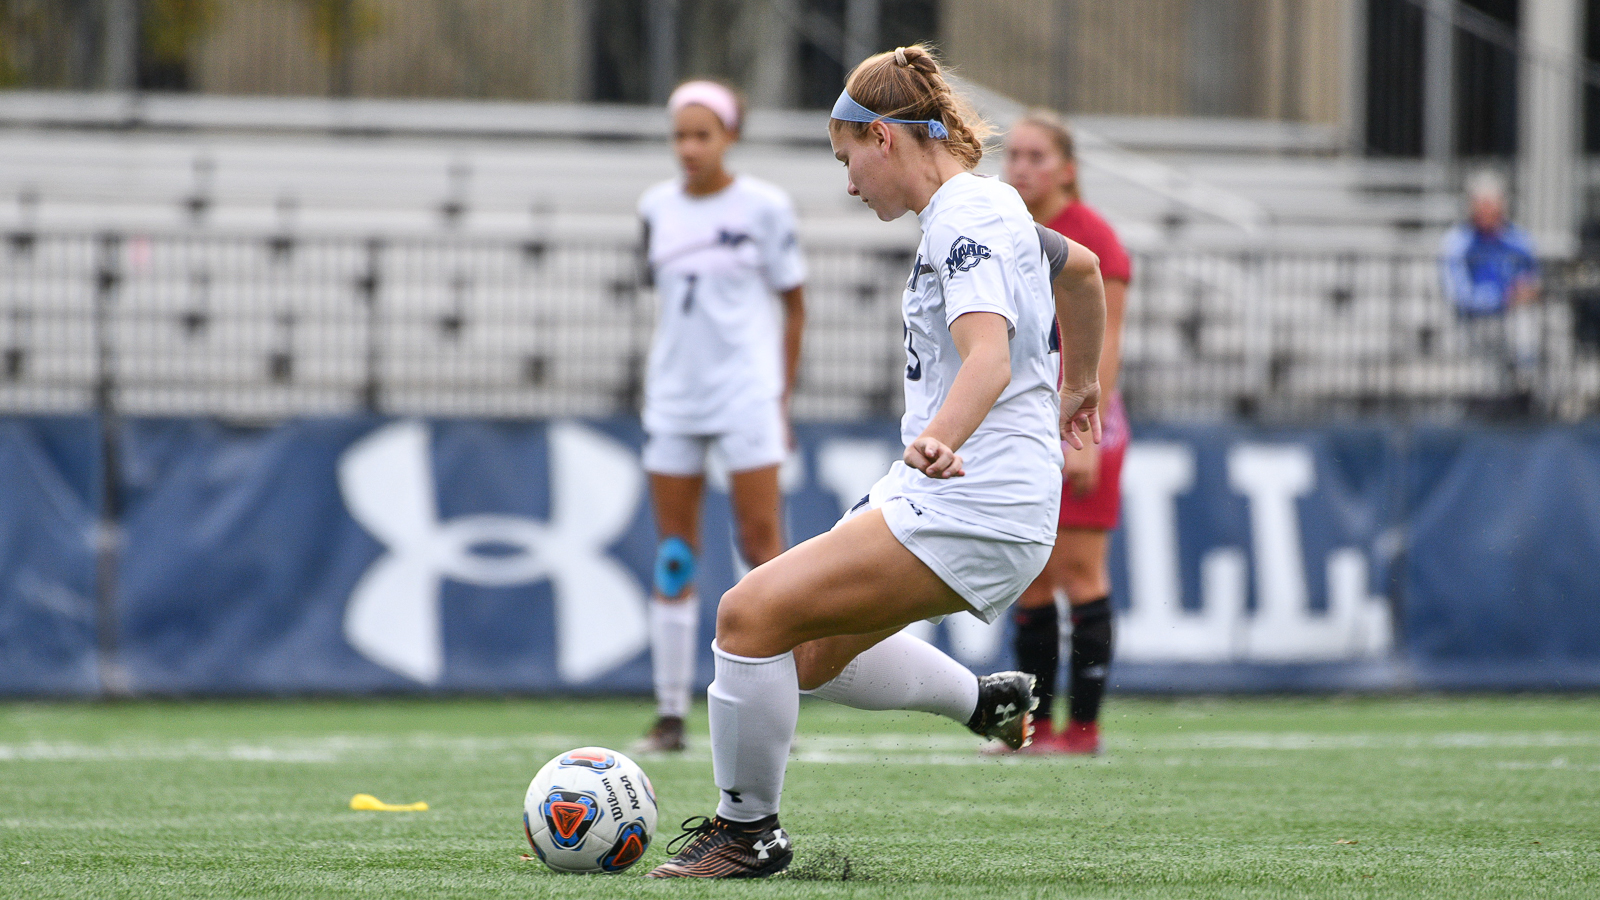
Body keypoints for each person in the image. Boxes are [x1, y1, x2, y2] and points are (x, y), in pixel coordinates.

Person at [646, 45, 1106, 879]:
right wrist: (1082, 383)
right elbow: (1086, 272)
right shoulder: (991, 209)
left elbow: (988, 361)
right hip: (978, 496)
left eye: (847, 158)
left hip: (971, 497)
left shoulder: (966, 217)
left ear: (884, 139)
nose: (850, 184)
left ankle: (748, 834)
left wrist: (945, 437)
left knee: (747, 619)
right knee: (808, 657)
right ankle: (985, 702)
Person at [634, 80, 807, 753]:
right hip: (674, 397)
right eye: (680, 135)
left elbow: (795, 303)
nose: (689, 148)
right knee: (675, 555)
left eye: (702, 134)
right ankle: (670, 713)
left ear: (729, 136)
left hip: (746, 394)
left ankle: (775, 713)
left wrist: (779, 397)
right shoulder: (655, 207)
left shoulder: (764, 206)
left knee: (765, 551)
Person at [995, 111, 1131, 755]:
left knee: (1079, 571)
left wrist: (1087, 434)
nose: (1020, 167)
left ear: (1067, 169)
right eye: (1013, 154)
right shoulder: (1007, 226)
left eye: (1036, 156)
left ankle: (1082, 729)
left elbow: (1105, 349)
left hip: (1081, 416)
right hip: (1030, 415)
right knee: (1034, 574)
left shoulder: (1091, 237)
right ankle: (1032, 729)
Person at [1440, 169, 1540, 392]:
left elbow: (1533, 281)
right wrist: (1503, 298)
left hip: (1512, 318)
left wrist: (1527, 292)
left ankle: (1526, 388)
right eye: (1481, 202)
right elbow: (1458, 295)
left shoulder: (1519, 239)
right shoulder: (1456, 242)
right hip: (1473, 322)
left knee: (1528, 321)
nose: (1486, 209)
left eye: (1491, 202)